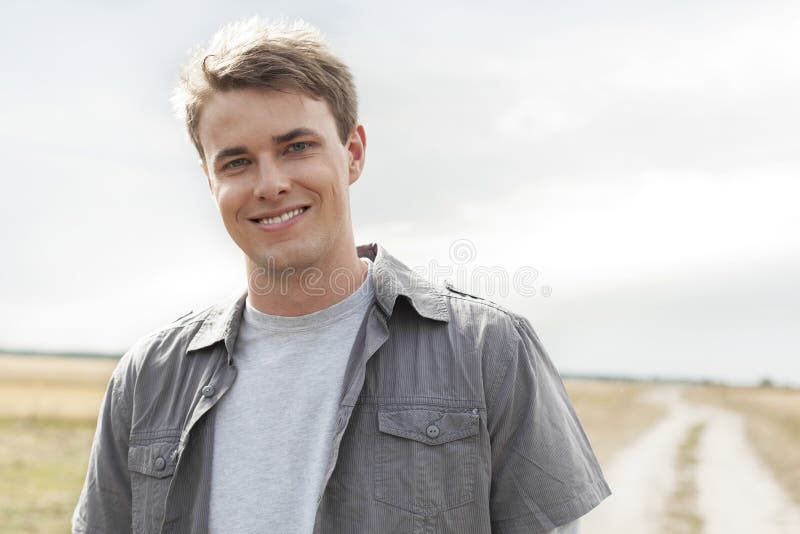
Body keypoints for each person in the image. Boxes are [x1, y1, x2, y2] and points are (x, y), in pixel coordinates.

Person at [72, 17, 609, 534]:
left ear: (352, 153)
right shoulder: (148, 379)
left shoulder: (490, 350)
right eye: (236, 162)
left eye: (296, 147)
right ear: (210, 181)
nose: (270, 184)